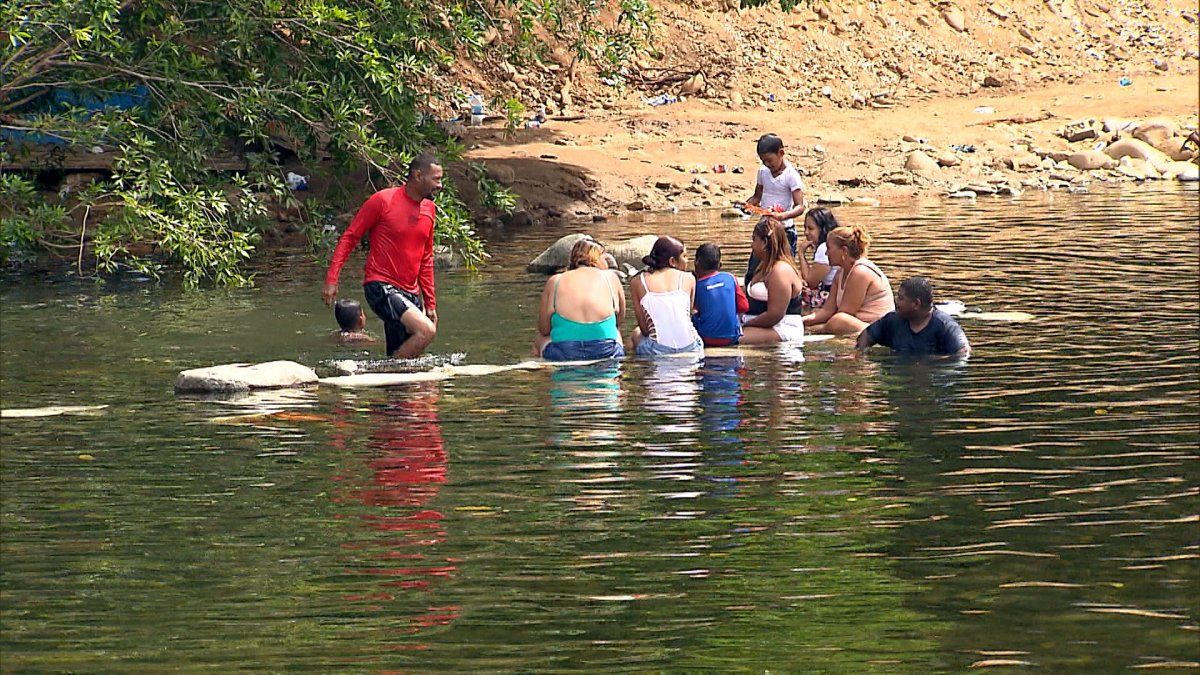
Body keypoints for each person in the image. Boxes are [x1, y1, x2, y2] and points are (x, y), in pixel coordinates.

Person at [322, 153, 442, 359]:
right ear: (418, 175)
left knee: (405, 355)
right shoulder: (383, 201)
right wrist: (332, 279)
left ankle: (393, 382)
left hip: (410, 293)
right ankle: (393, 370)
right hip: (380, 286)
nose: (440, 185)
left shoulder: (429, 209)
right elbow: (349, 238)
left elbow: (426, 259)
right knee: (426, 331)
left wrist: (430, 303)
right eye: (436, 179)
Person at [533, 238, 626, 361]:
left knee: (540, 339)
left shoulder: (555, 281)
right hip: (606, 352)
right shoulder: (612, 279)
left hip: (565, 353)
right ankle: (616, 377)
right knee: (616, 331)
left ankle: (540, 373)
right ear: (596, 258)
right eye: (605, 258)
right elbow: (619, 321)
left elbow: (544, 329)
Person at [803, 223, 894, 335]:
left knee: (839, 320)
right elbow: (827, 311)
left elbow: (845, 315)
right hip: (857, 325)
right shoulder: (840, 273)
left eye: (829, 248)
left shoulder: (860, 272)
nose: (826, 253)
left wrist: (814, 329)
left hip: (875, 329)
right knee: (818, 314)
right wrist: (802, 321)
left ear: (844, 250)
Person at [857, 277, 971, 358]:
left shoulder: (945, 326)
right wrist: (862, 355)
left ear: (916, 304)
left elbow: (963, 352)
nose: (896, 302)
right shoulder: (892, 320)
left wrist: (937, 362)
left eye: (901, 298)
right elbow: (866, 335)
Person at [630, 236, 703, 356]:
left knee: (635, 333)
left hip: (658, 350)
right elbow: (687, 314)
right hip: (692, 346)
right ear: (672, 261)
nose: (687, 260)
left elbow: (644, 329)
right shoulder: (689, 278)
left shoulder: (638, 281)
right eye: (684, 256)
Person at [741, 218, 807, 345]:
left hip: (783, 327)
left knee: (734, 338)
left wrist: (746, 323)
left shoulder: (780, 271)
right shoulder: (763, 266)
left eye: (754, 240)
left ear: (765, 242)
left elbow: (774, 315)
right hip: (764, 324)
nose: (752, 245)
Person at [744, 133, 807, 257]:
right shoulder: (763, 172)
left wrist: (782, 216)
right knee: (755, 269)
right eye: (763, 161)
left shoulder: (791, 176)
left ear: (781, 153)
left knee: (784, 265)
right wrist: (747, 205)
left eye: (769, 160)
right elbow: (757, 197)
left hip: (784, 230)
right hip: (764, 229)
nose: (767, 164)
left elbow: (800, 206)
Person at [692, 243, 749, 347]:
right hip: (732, 337)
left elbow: (693, 308)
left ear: (696, 264)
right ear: (720, 265)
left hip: (706, 338)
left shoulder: (696, 286)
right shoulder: (730, 278)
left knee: (693, 317)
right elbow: (744, 306)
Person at [797, 207, 839, 309]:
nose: (806, 232)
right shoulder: (833, 245)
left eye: (810, 228)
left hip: (830, 295)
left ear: (823, 229)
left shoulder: (824, 248)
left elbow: (810, 282)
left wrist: (801, 254)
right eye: (805, 228)